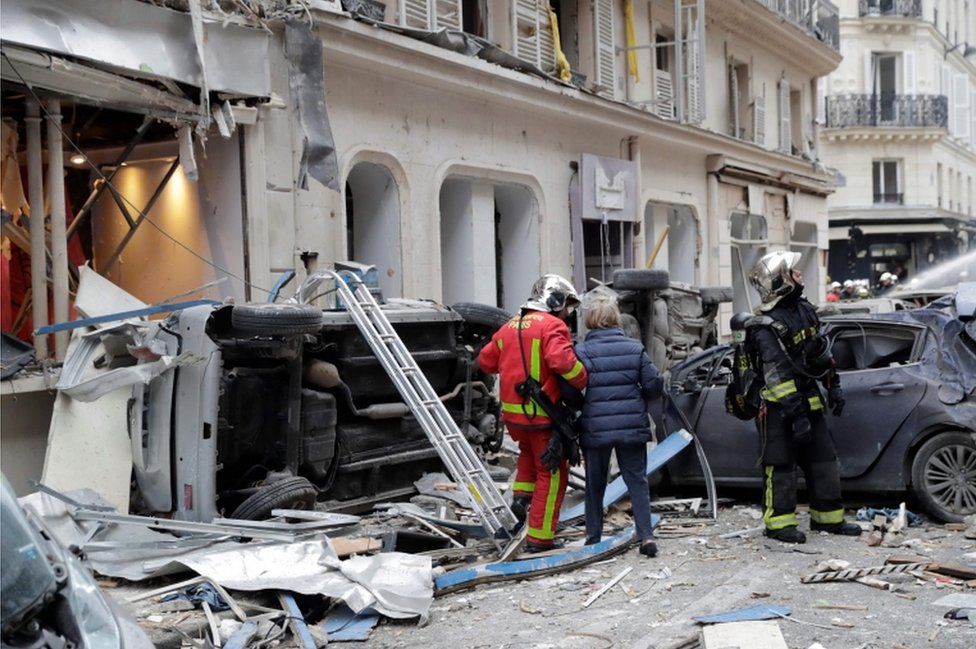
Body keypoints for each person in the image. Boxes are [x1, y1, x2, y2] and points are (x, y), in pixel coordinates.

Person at [745, 251, 861, 544]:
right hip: (777, 408)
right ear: (780, 280)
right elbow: (777, 374)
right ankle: (779, 525)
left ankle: (828, 519)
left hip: (809, 399)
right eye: (793, 272)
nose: (800, 274)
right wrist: (796, 416)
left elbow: (821, 351)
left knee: (824, 460)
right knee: (780, 465)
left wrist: (834, 385)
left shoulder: (805, 310)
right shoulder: (764, 325)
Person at [477, 274, 588, 552]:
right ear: (555, 301)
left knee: (528, 458)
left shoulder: (509, 326)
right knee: (552, 475)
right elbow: (562, 362)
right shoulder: (552, 325)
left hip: (515, 419)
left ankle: (521, 502)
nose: (567, 313)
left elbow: (485, 362)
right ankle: (540, 538)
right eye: (566, 306)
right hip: (542, 416)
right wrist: (584, 378)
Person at [570, 296, 662, 557]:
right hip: (631, 424)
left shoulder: (581, 351)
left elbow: (571, 389)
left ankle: (593, 538)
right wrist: (639, 401)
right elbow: (654, 383)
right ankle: (646, 537)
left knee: (595, 484)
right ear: (616, 319)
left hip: (595, 426)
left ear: (589, 321)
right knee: (637, 481)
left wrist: (584, 406)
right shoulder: (634, 348)